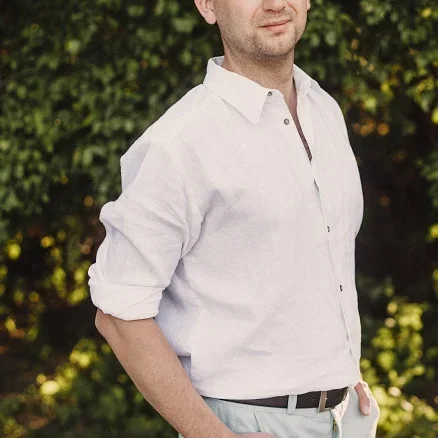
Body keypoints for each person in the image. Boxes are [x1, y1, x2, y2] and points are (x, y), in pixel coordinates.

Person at [87, 0, 381, 436]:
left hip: (347, 415)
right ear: (208, 6)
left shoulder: (323, 109)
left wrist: (339, 386)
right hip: (246, 423)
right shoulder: (181, 142)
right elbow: (118, 312)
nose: (275, 4)